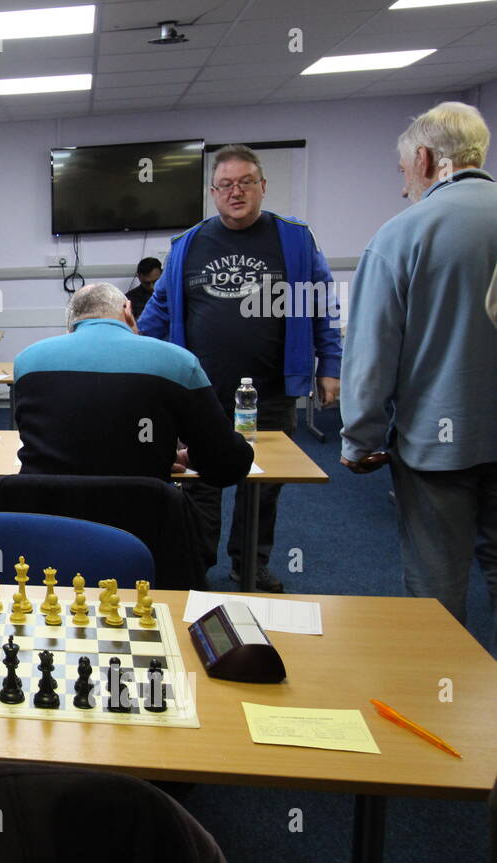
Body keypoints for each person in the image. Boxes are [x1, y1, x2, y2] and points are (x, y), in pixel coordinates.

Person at [138, 144, 342, 592]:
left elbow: (322, 304)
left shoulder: (294, 238)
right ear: (213, 192)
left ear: (263, 187)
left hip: (269, 392)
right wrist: (126, 355)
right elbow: (159, 312)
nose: (237, 192)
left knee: (263, 486)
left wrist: (331, 364)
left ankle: (249, 563)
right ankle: (197, 563)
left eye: (246, 182)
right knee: (198, 483)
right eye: (226, 184)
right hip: (199, 394)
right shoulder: (187, 245)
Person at [340, 102, 497, 636]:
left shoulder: (401, 235)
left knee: (438, 587)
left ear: (426, 159)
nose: (404, 181)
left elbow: (371, 355)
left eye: (404, 168)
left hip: (439, 446)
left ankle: (444, 705)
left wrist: (358, 440)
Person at [14, 283, 253, 486]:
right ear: (128, 310)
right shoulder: (179, 361)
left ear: (70, 327)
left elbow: (49, 441)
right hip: (141, 527)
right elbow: (228, 464)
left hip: (47, 524)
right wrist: (162, 454)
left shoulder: (27, 361)